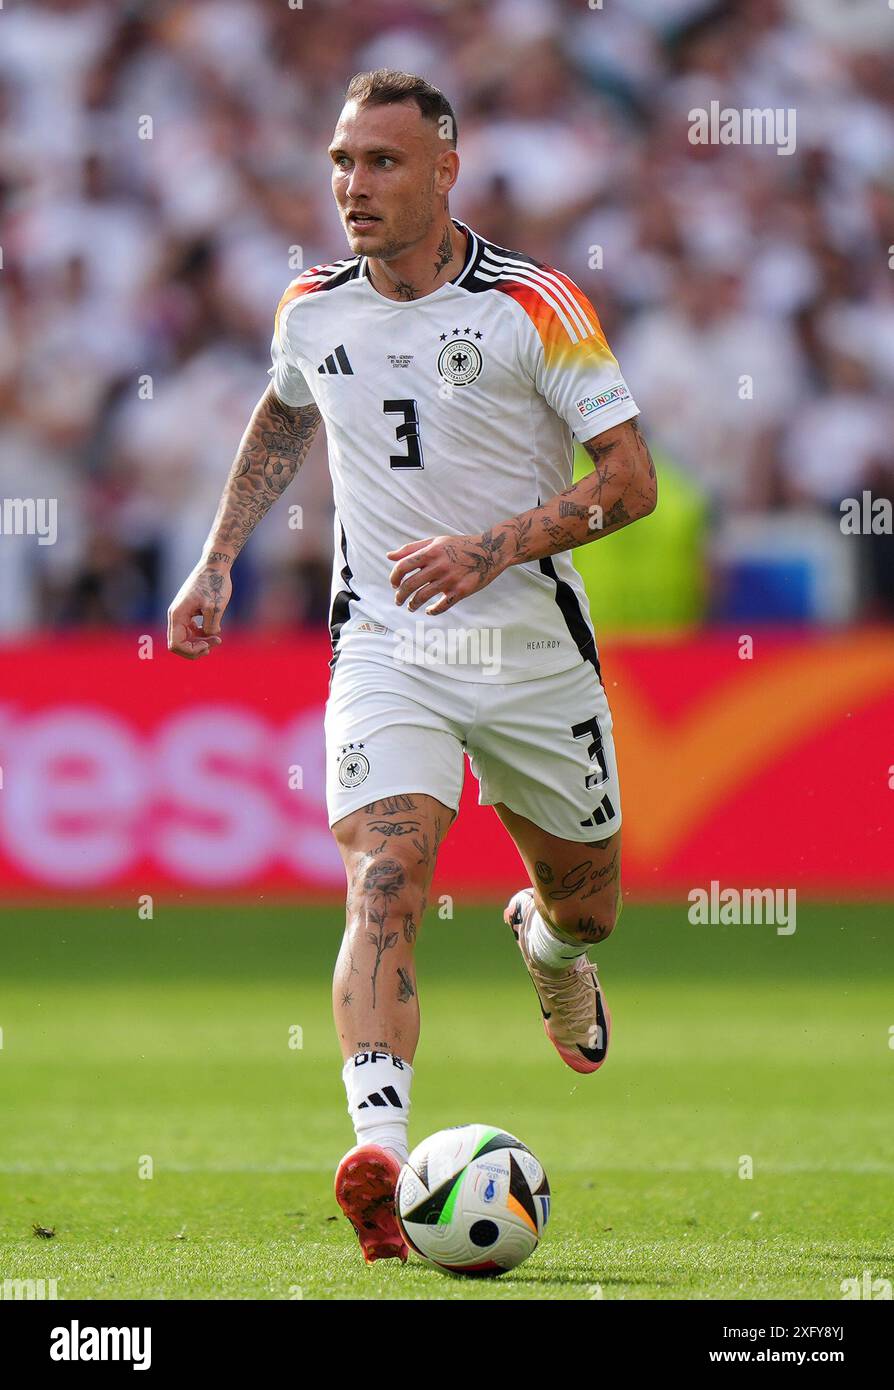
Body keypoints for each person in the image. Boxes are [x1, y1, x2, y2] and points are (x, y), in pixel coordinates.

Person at [167, 69, 656, 1265]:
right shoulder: (313, 308)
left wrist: (493, 545)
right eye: (341, 162)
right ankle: (381, 1153)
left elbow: (630, 483)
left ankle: (547, 951)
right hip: (388, 644)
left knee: (590, 901)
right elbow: (286, 413)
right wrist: (217, 559)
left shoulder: (534, 306)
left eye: (382, 162)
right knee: (385, 872)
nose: (353, 187)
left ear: (446, 168)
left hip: (532, 650)